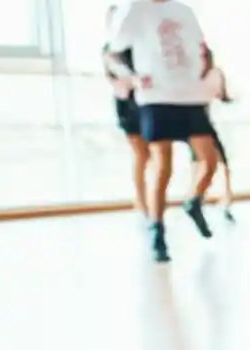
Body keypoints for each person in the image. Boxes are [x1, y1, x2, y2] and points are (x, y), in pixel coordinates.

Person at [107, 0, 219, 263]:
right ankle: (157, 230)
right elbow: (113, 52)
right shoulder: (135, 9)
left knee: (209, 160)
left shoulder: (184, 11)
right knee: (162, 166)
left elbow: (200, 47)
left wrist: (203, 75)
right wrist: (132, 77)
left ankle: (193, 201)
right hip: (156, 97)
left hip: (190, 96)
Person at [103, 5, 147, 222]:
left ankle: (150, 199)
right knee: (141, 154)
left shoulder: (138, 45)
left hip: (146, 103)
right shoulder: (110, 49)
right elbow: (122, 77)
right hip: (128, 105)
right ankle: (141, 200)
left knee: (153, 153)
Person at [189, 46, 235, 222]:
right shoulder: (191, 75)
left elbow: (222, 95)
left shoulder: (215, 74)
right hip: (195, 123)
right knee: (201, 164)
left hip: (204, 123)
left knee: (219, 164)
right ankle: (196, 199)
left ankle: (224, 199)